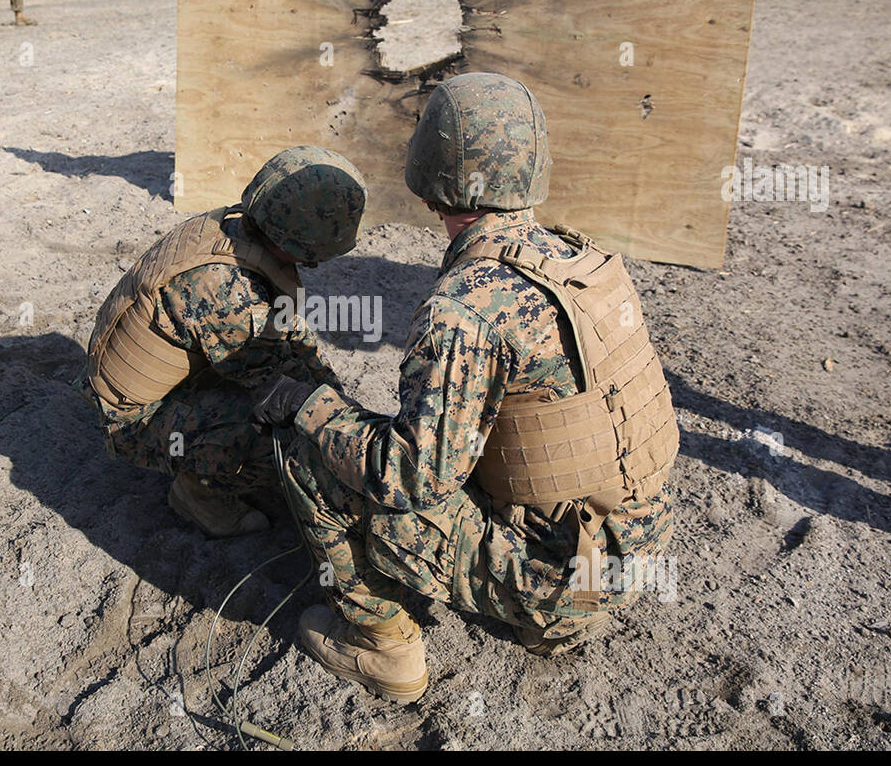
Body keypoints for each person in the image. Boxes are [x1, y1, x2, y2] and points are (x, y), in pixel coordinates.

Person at [253, 73, 679, 703]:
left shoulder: (467, 308)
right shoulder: (583, 261)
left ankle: (383, 646)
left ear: (430, 172)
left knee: (314, 445)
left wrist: (306, 406)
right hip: (635, 545)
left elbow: (411, 475)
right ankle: (548, 603)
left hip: (563, 579)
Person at [82, 146, 366, 537]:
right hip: (132, 422)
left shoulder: (234, 225)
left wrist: (336, 397)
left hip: (163, 380)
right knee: (284, 436)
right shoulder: (228, 290)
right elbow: (277, 387)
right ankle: (197, 493)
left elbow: (287, 337)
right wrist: (344, 428)